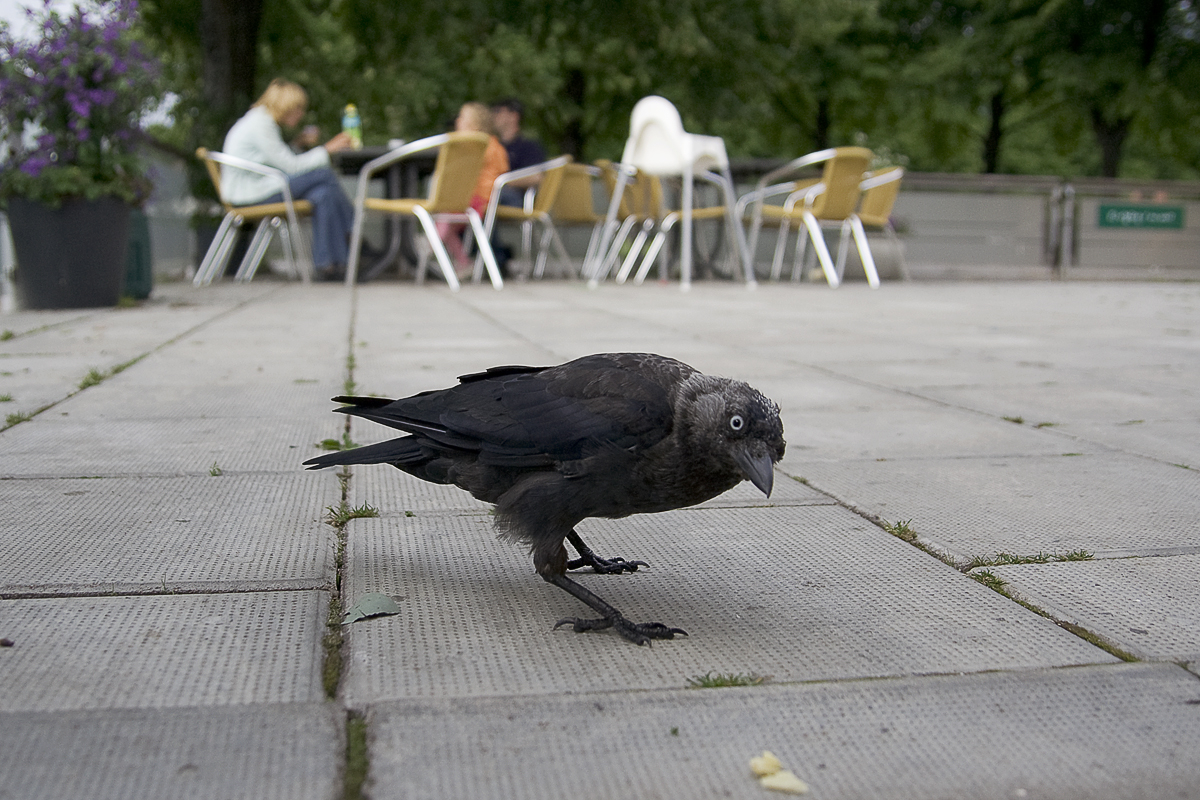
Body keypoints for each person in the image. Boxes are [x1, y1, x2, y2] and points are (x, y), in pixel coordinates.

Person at [221, 78, 355, 281]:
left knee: (323, 194)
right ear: (286, 105)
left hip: (260, 188)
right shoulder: (260, 123)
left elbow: (276, 162)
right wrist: (328, 149)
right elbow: (291, 167)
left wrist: (297, 143)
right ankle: (353, 234)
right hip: (253, 194)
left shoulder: (261, 122)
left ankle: (330, 266)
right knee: (324, 175)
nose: (301, 114)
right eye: (298, 108)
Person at [436, 102, 509, 279]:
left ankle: (430, 243)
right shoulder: (493, 145)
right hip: (477, 198)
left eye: (463, 119)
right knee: (445, 220)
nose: (458, 121)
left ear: (474, 126)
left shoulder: (478, 146)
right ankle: (462, 261)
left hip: (479, 198)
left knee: (444, 217)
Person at [490, 98, 547, 207]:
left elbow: (536, 177)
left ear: (514, 116)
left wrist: (499, 182)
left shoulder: (528, 147)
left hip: (514, 198)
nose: (493, 115)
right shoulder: (493, 146)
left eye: (497, 111)